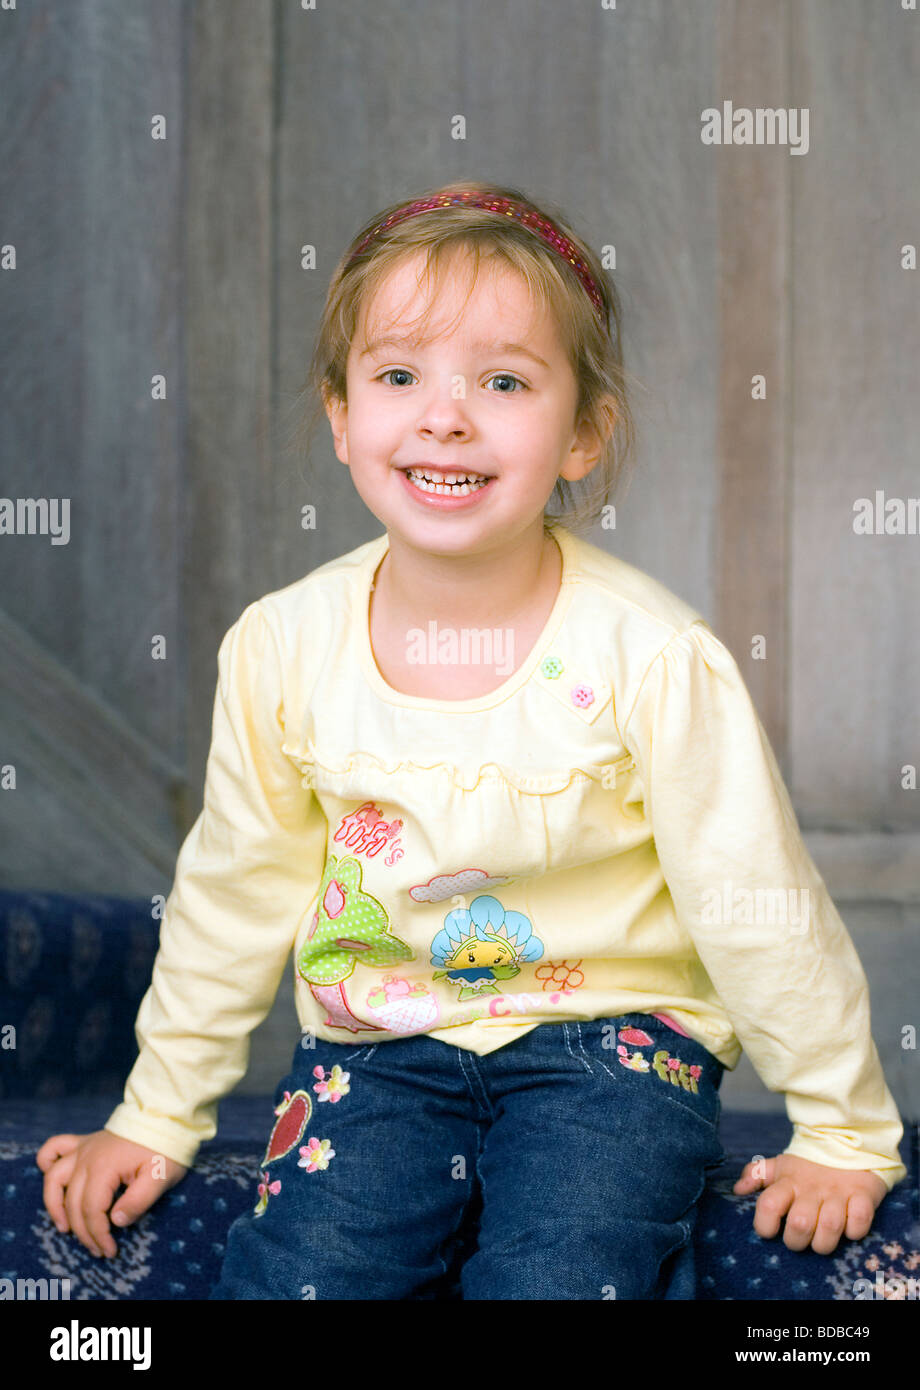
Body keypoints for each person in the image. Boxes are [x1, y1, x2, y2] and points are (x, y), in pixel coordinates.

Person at [36, 180, 907, 1300]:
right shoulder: (282, 646)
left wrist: (840, 1127)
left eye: (501, 382)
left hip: (612, 1046)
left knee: (562, 1274)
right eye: (398, 377)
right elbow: (234, 889)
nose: (443, 416)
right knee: (300, 1273)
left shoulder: (648, 655)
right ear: (343, 415)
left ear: (584, 431)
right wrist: (156, 1111)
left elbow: (755, 898)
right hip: (375, 1047)